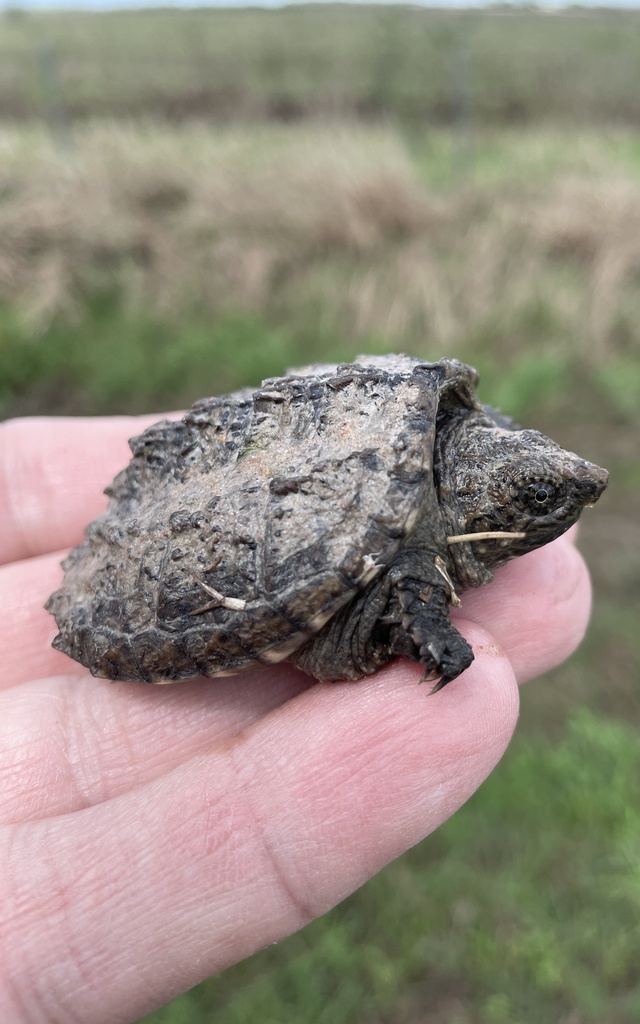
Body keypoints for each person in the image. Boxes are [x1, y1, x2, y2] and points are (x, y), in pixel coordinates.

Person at [0, 414, 594, 1023]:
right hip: (156, 577)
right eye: (539, 498)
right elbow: (411, 583)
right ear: (474, 514)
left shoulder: (435, 428)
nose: (587, 486)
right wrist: (429, 628)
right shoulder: (412, 544)